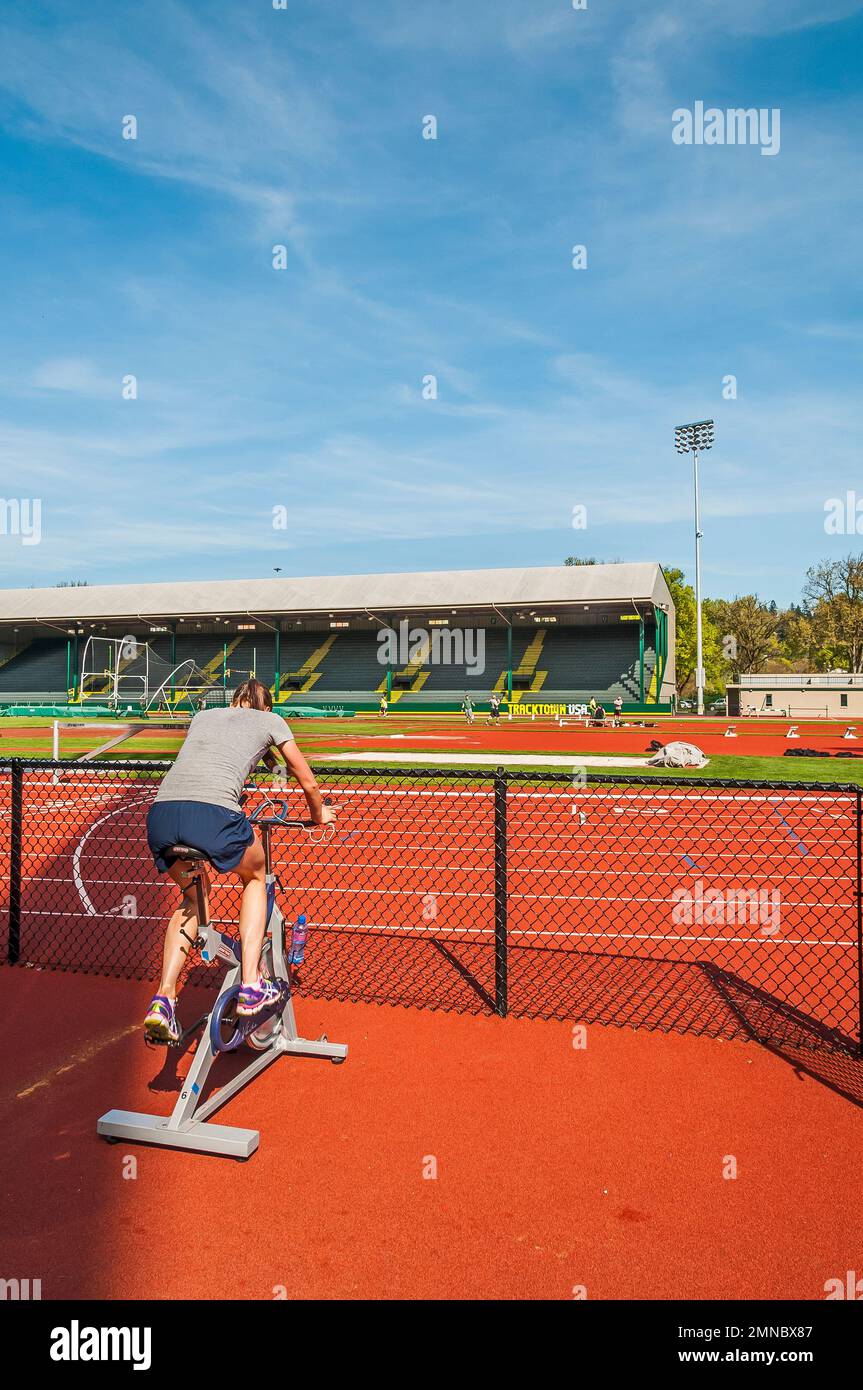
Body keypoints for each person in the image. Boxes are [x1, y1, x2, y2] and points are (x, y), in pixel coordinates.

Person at [143, 678, 333, 1044]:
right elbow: (306, 780)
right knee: (256, 875)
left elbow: (214, 756)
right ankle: (251, 985)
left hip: (162, 814)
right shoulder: (271, 720)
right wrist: (318, 813)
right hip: (212, 814)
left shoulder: (204, 716)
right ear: (267, 706)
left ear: (235, 701)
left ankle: (164, 999)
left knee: (193, 897)